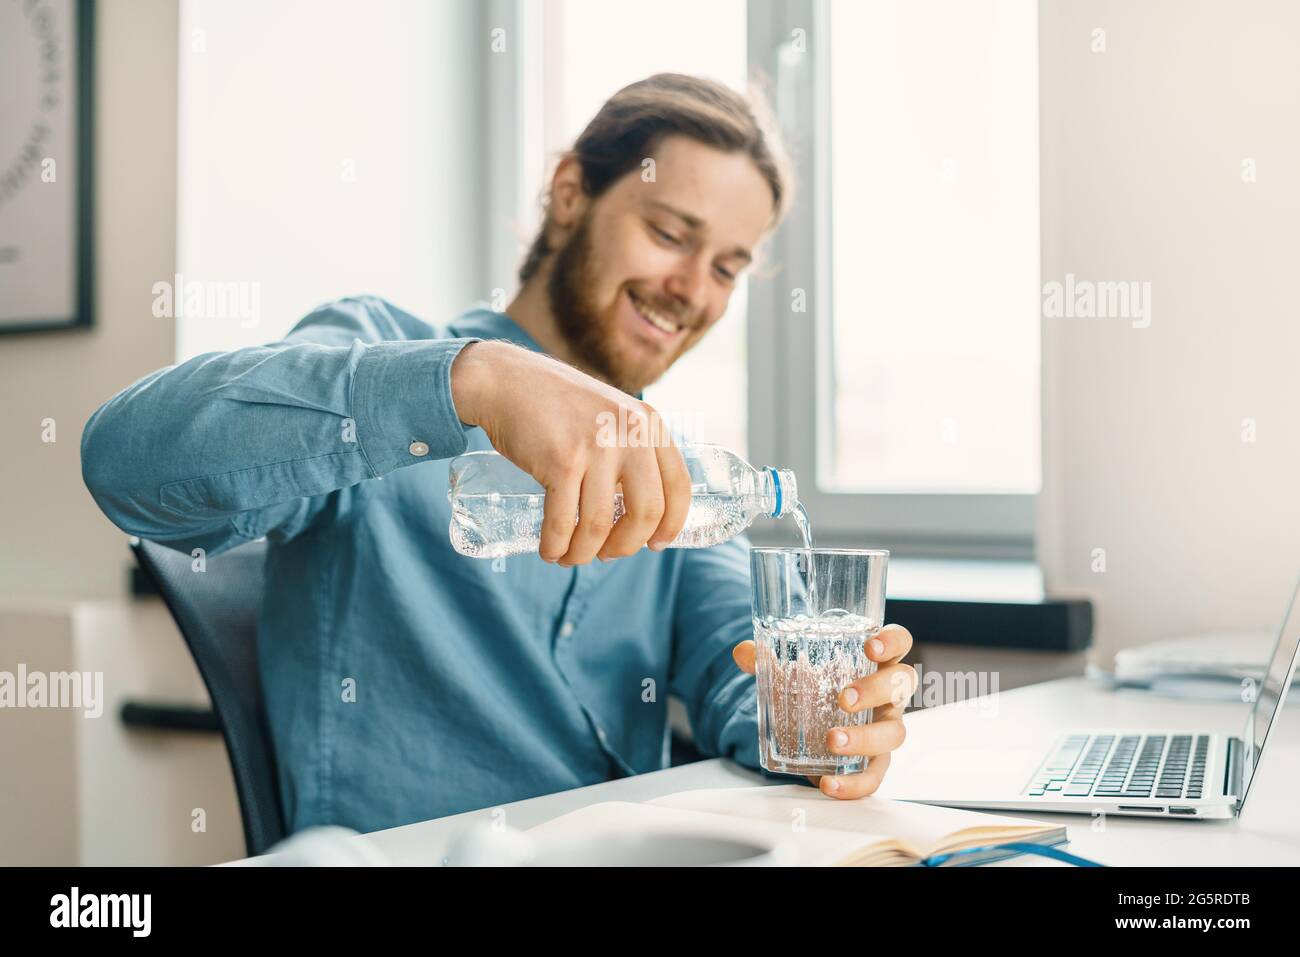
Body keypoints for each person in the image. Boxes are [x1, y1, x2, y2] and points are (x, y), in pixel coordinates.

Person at [81, 74, 915, 835]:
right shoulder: (383, 357)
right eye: (669, 232)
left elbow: (745, 662)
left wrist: (834, 718)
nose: (694, 289)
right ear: (569, 194)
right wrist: (471, 381)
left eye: (728, 267)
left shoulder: (677, 473)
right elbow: (123, 464)